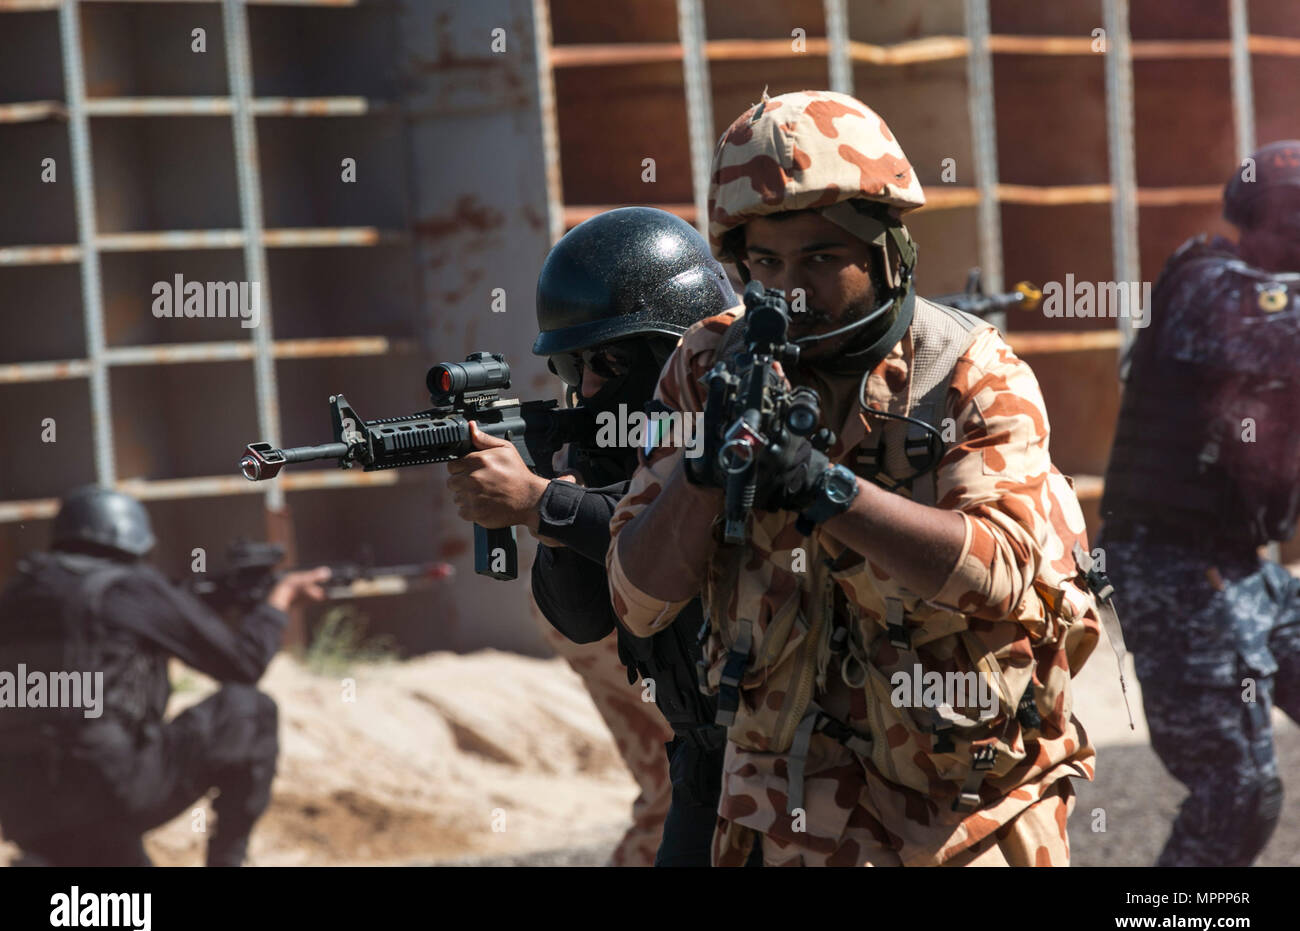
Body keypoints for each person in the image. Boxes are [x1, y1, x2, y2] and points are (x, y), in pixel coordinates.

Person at [605, 90, 1109, 866]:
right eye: (765, 263)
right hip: (784, 815)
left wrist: (822, 487)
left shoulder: (967, 371)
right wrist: (702, 474)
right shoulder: (706, 365)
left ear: (886, 252)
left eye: (819, 258)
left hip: (967, 816)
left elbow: (1001, 571)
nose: (789, 290)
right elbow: (637, 602)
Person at [444, 206, 739, 865]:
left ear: (671, 349)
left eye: (605, 362)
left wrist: (543, 504)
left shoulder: (737, 420)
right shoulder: (614, 445)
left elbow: (686, 537)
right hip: (704, 757)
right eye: (571, 367)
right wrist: (552, 512)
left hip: (794, 757)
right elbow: (581, 619)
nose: (587, 388)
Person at [1098, 140, 1300, 866]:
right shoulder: (1208, 286)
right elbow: (1276, 329)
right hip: (1174, 572)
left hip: (1244, 569)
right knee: (1236, 793)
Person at [0, 486, 329, 866]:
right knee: (251, 710)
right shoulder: (130, 586)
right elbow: (245, 664)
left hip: (23, 806)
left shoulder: (18, 595)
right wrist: (278, 602)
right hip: (110, 789)